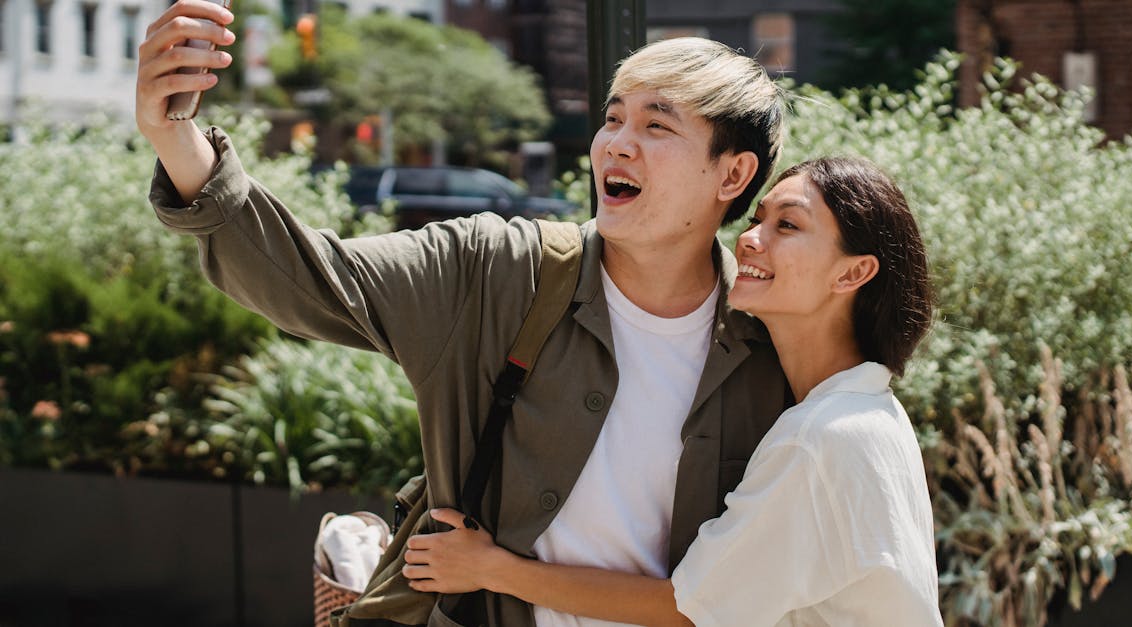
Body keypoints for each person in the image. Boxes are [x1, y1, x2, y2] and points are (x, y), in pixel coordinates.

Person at [136, 4, 791, 625]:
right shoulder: (498, 271)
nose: (616, 144)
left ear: (731, 175)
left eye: (657, 125)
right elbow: (312, 278)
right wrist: (176, 136)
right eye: (613, 117)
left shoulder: (770, 348)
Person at [396, 157, 943, 627]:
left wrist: (491, 569)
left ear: (853, 274)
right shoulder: (873, 412)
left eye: (788, 226)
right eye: (756, 219)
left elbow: (689, 610)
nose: (750, 238)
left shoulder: (821, 438)